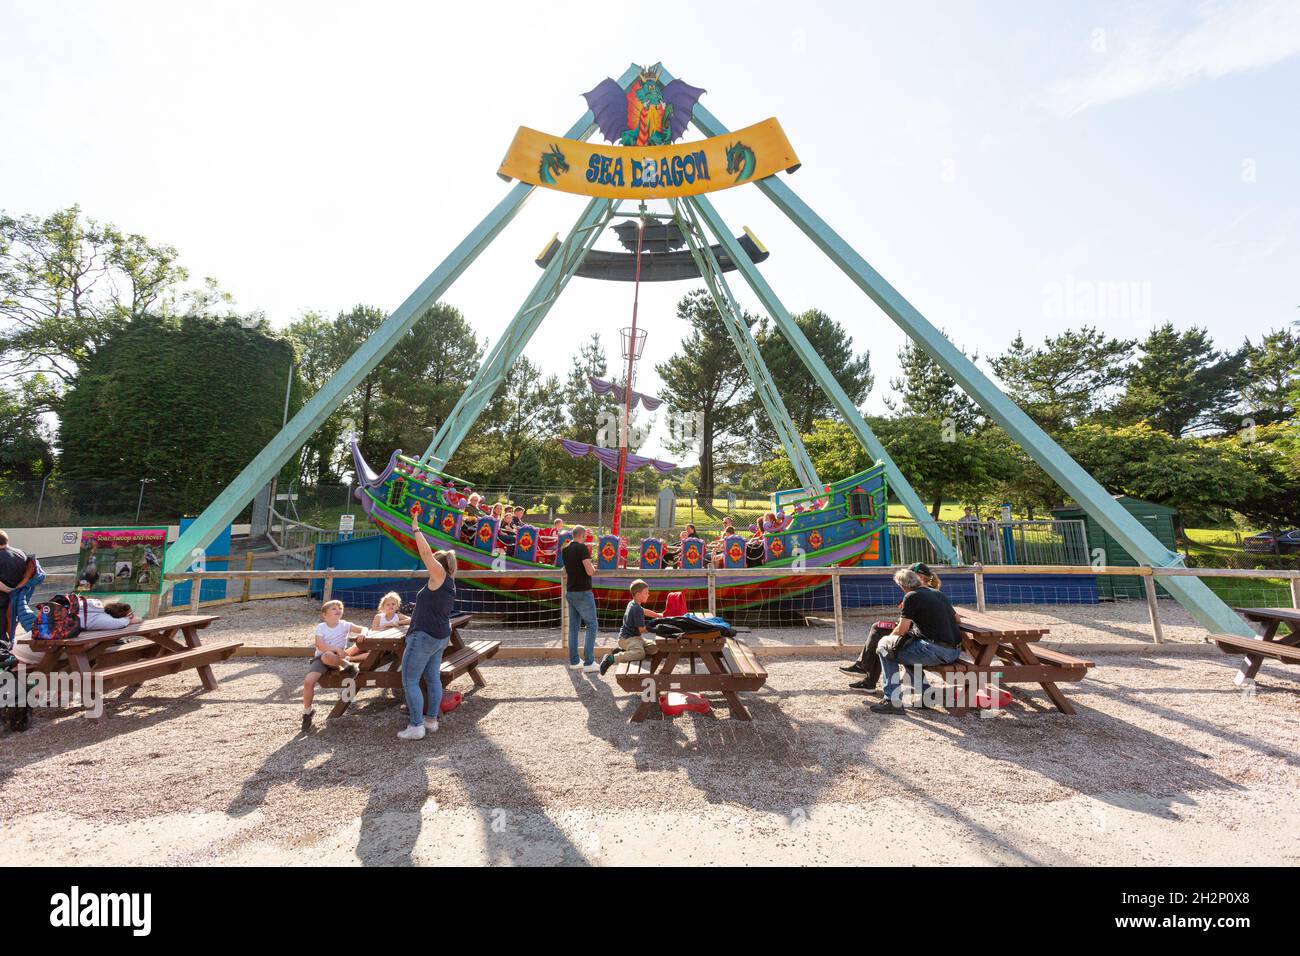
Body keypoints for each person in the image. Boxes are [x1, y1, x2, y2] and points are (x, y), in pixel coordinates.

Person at [397, 512, 458, 740]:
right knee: (432, 678)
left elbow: (425, 553)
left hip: (424, 637)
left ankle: (416, 726)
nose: (429, 563)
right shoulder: (450, 583)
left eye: (434, 562)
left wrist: (415, 529)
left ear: (439, 565)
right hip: (440, 635)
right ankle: (431, 720)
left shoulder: (439, 575)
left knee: (409, 679)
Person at [871, 567, 964, 715]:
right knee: (906, 653)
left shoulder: (911, 596)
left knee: (886, 650)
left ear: (902, 586)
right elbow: (957, 618)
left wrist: (887, 640)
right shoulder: (937, 593)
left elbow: (902, 629)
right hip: (954, 651)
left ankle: (892, 700)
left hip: (935, 650)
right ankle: (928, 695)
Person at [840, 562, 942, 689]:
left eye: (910, 575)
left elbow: (907, 625)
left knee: (880, 634)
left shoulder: (919, 593)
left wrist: (892, 638)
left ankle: (865, 673)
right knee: (879, 631)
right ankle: (865, 674)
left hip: (920, 637)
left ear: (919, 576)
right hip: (921, 634)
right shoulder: (928, 592)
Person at [301, 599, 369, 732]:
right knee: (308, 681)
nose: (338, 610)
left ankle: (346, 664)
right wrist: (336, 649)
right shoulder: (321, 627)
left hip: (336, 659)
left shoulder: (345, 625)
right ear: (324, 615)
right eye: (333, 608)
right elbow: (320, 646)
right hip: (321, 659)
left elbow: (364, 628)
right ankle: (307, 712)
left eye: (340, 608)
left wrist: (362, 633)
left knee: (328, 656)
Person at [598, 580, 662, 675]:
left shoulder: (634, 604)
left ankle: (625, 650)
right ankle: (610, 658)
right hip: (628, 639)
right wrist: (656, 627)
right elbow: (642, 629)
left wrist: (659, 616)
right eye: (646, 593)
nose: (648, 594)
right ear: (638, 594)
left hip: (636, 639)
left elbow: (645, 611)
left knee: (656, 647)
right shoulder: (636, 609)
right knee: (640, 654)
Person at [562, 524, 599, 672]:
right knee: (592, 625)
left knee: (573, 628)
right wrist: (594, 568)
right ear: (582, 535)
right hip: (583, 591)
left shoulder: (565, 549)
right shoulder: (582, 548)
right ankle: (589, 662)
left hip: (571, 591)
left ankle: (574, 661)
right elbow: (589, 571)